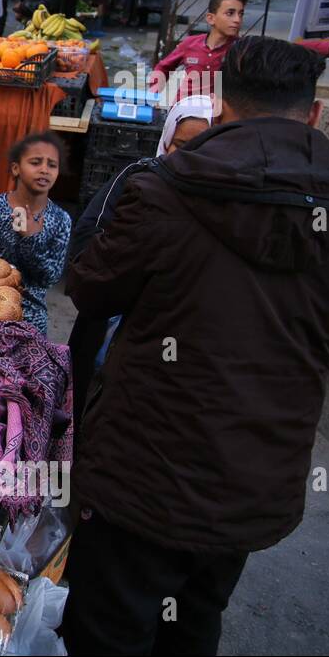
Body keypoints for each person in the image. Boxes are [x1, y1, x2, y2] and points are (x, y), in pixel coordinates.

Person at [61, 37, 329, 656]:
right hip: (256, 471)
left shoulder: (166, 190)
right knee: (194, 619)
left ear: (223, 107)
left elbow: (91, 289)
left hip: (140, 468)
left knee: (106, 627)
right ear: (313, 114)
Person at [65, 94, 217, 424]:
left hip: (171, 334)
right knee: (88, 399)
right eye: (180, 144)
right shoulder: (139, 178)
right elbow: (88, 234)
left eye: (200, 146)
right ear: (166, 140)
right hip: (112, 315)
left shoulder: (221, 199)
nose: (189, 156)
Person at [150, 0, 329, 97]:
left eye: (240, 14)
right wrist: (154, 93)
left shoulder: (245, 47)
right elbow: (163, 67)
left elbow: (288, 48)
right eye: (230, 13)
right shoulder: (190, 44)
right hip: (181, 112)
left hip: (218, 117)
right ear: (211, 18)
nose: (237, 19)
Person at [0, 132, 71, 337]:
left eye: (52, 165)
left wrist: (31, 239)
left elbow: (49, 278)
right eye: (35, 162)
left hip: (31, 313)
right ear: (16, 168)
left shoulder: (60, 219)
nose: (44, 170)